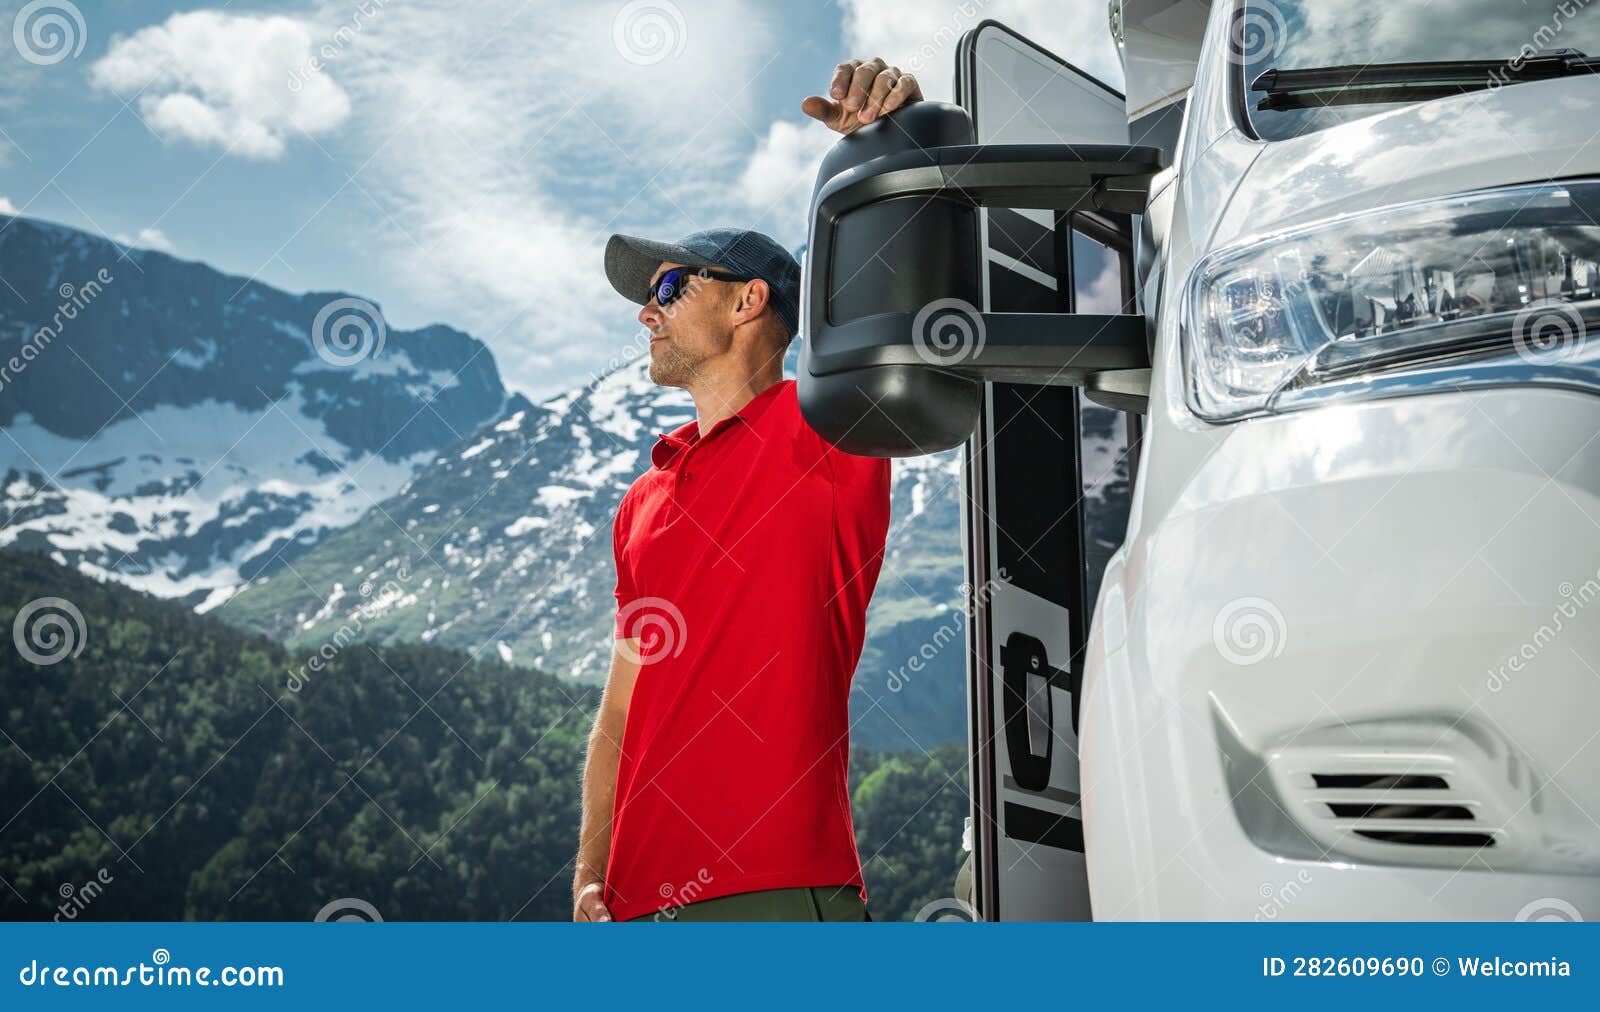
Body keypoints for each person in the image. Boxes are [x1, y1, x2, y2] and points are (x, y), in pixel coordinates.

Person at [572, 58, 923, 923]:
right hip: (630, 910)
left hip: (771, 892)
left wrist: (889, 143)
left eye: (667, 286)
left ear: (747, 302)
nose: (645, 311)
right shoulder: (642, 499)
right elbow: (621, 709)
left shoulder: (830, 430)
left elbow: (907, 293)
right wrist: (589, 876)